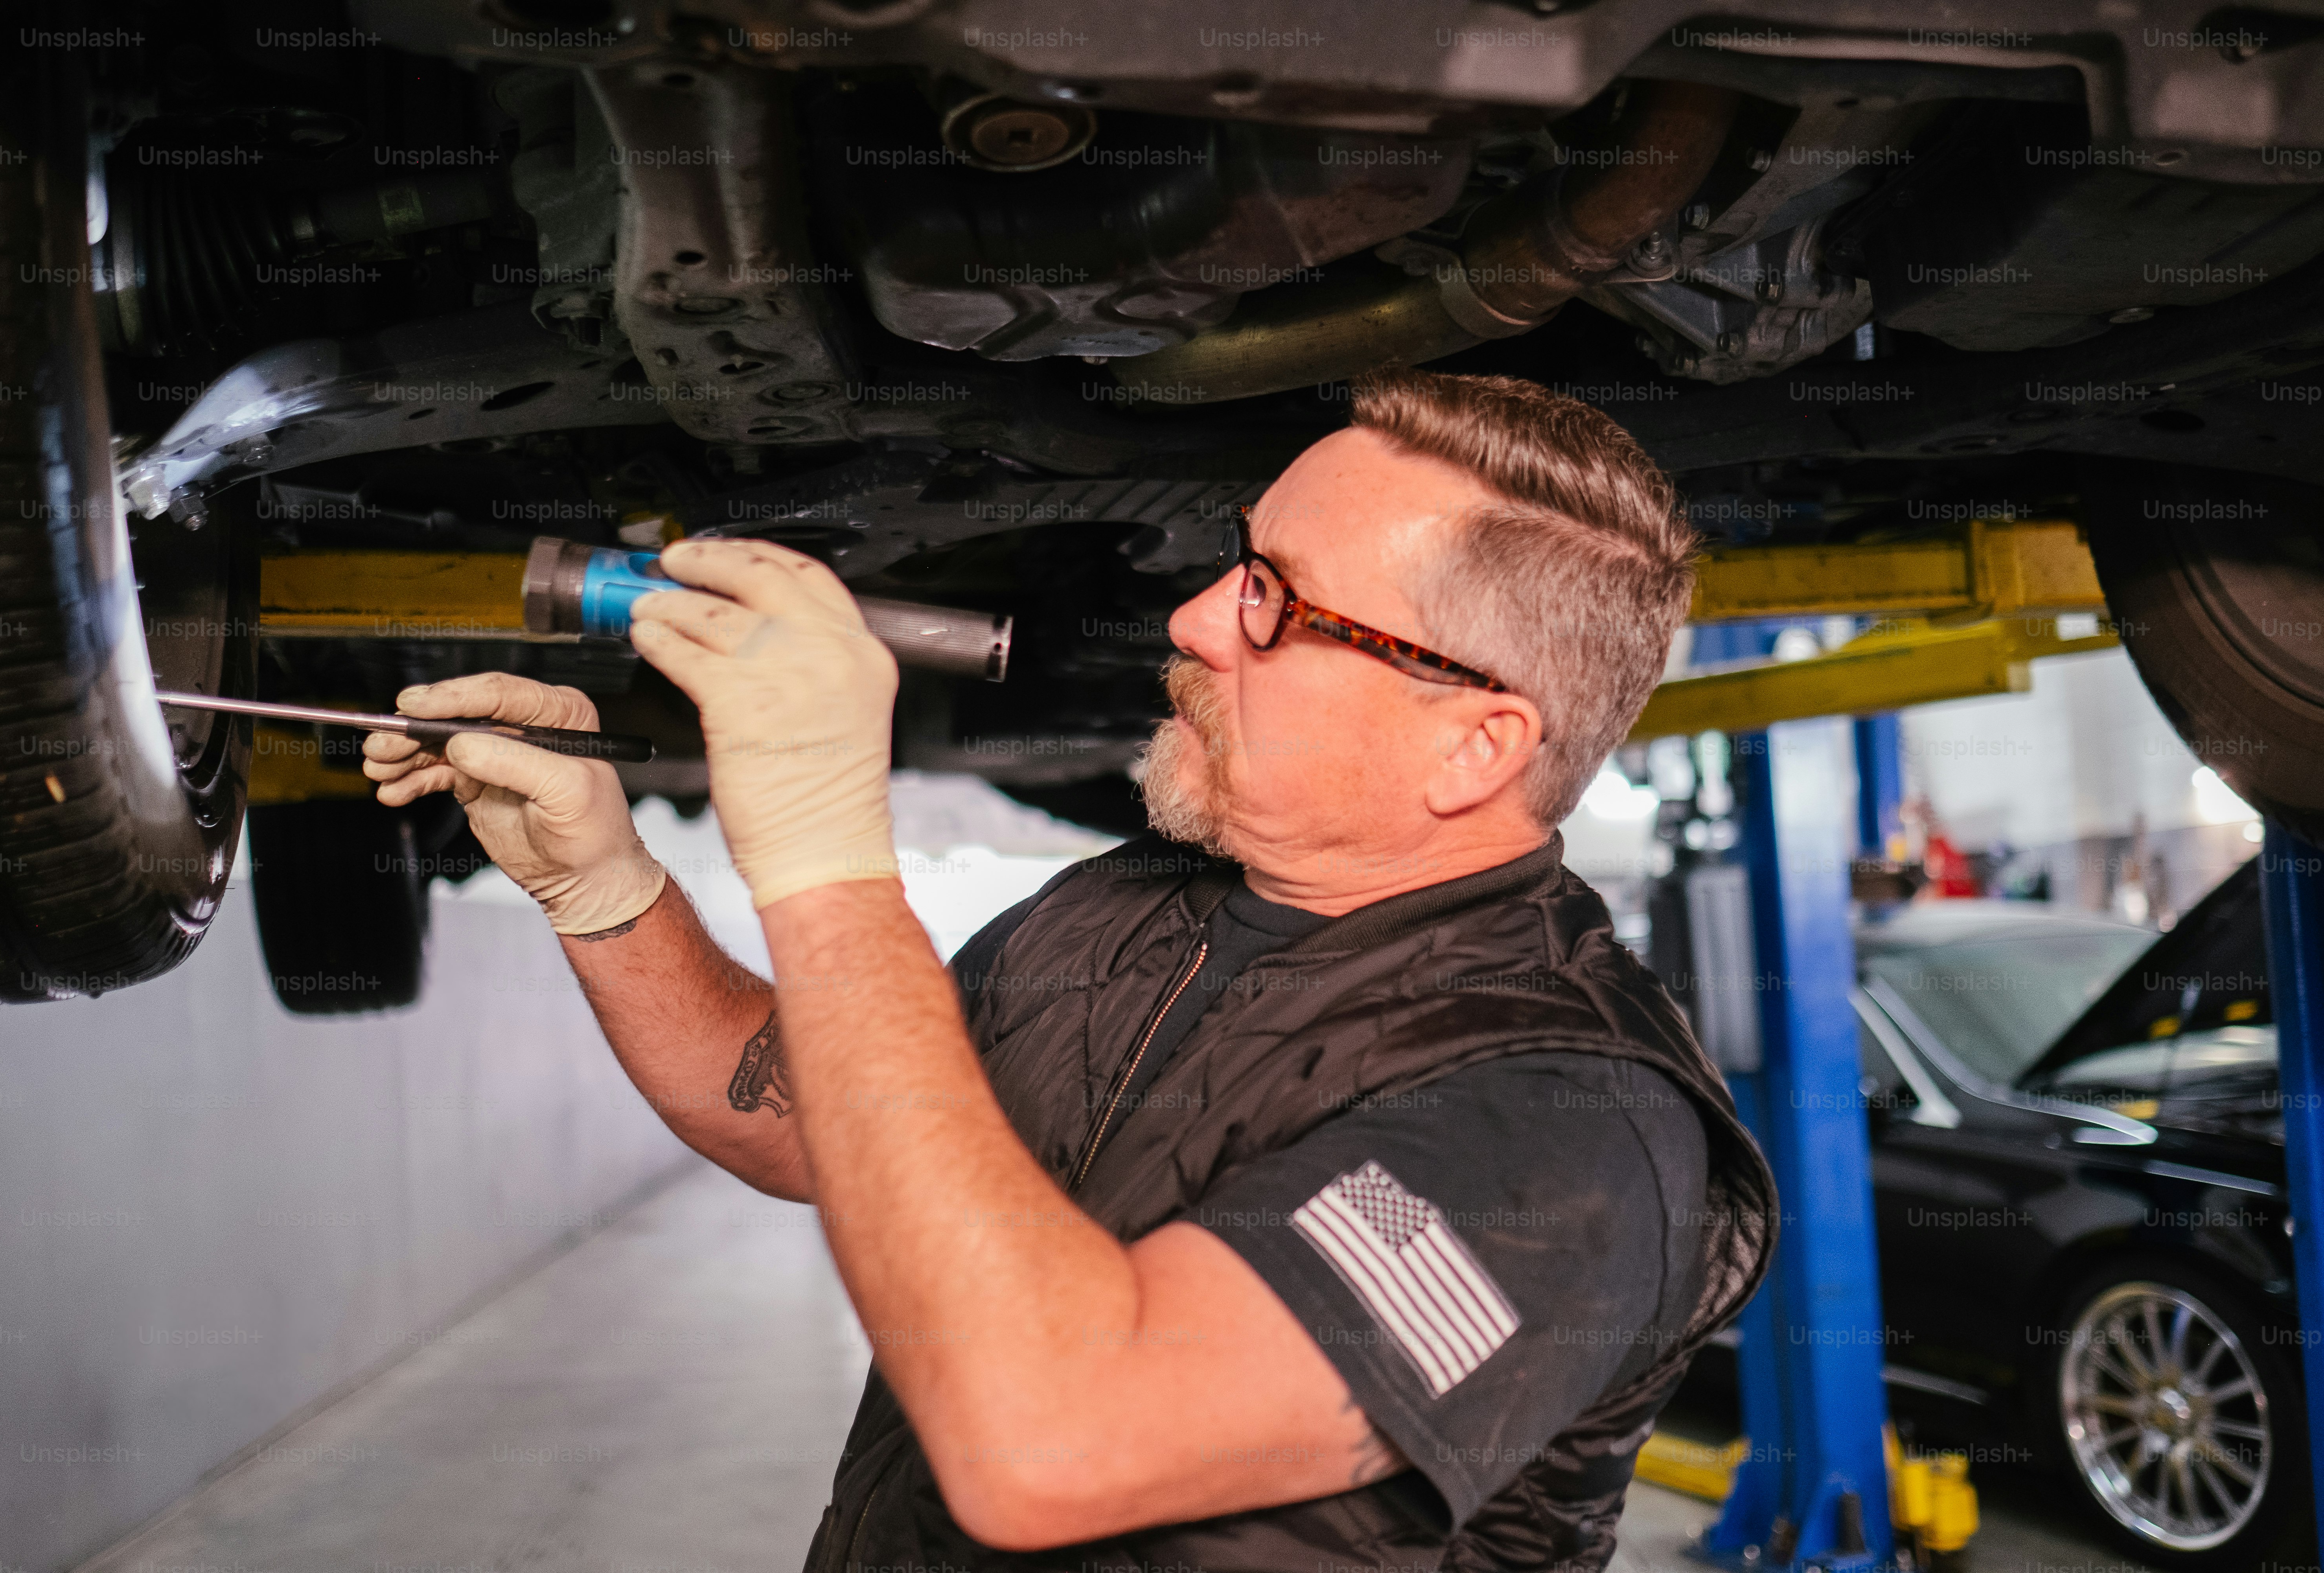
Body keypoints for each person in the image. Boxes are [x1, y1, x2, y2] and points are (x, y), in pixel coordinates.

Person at [364, 364, 1777, 1571]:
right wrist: (605, 889)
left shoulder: (1565, 1128)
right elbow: (810, 1120)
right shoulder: (1127, 914)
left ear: (1475, 744)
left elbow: (1053, 1437)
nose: (1195, 620)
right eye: (1240, 560)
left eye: (1281, 604)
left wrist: (826, 853)